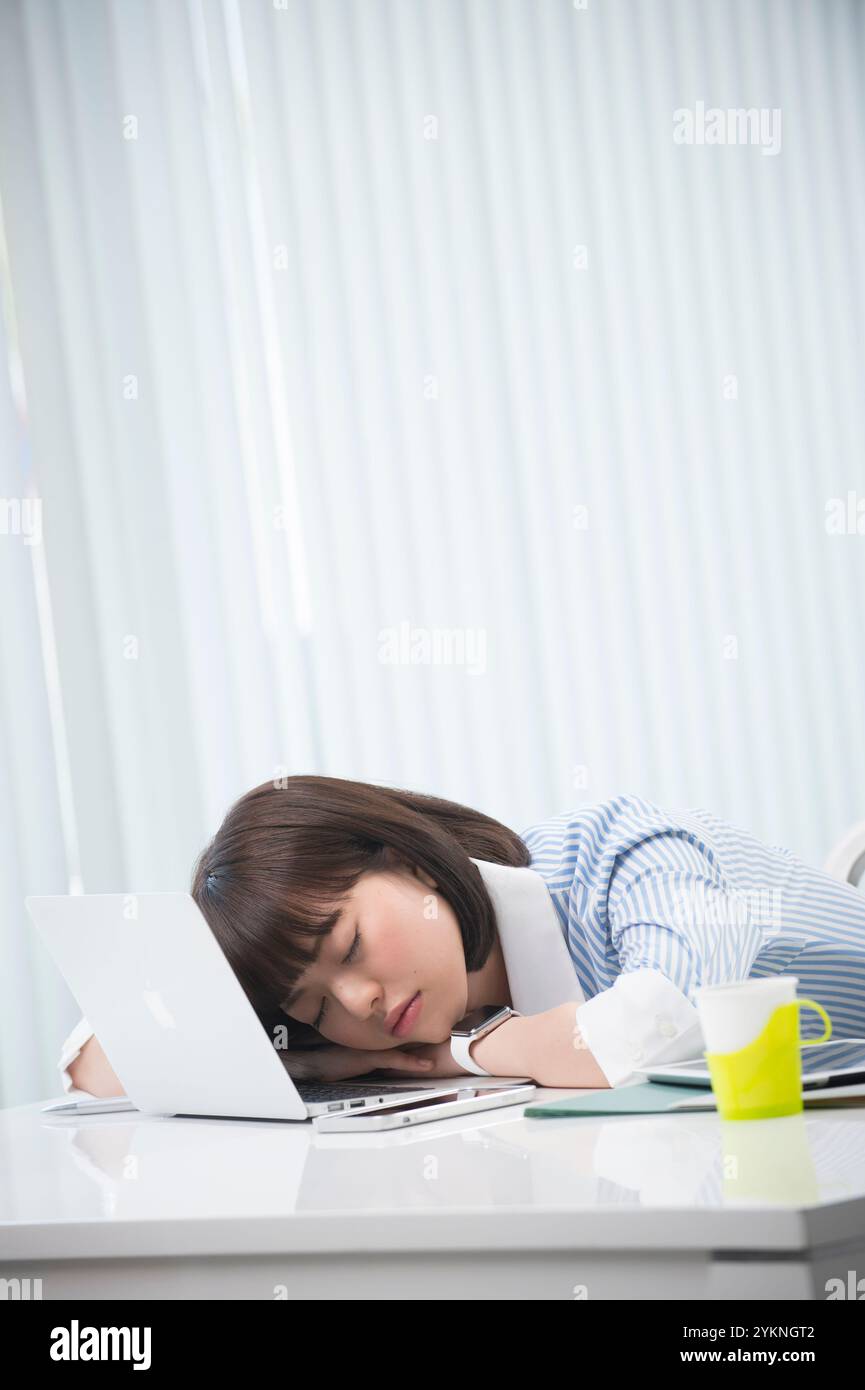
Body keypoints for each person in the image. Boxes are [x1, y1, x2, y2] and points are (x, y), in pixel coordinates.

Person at [60, 777, 865, 1097]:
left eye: (346, 948)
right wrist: (241, 964)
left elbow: (657, 1023)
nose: (357, 1003)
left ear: (410, 863)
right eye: (312, 1003)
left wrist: (462, 1056)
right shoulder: (391, 1016)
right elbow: (91, 1061)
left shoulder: (622, 852)